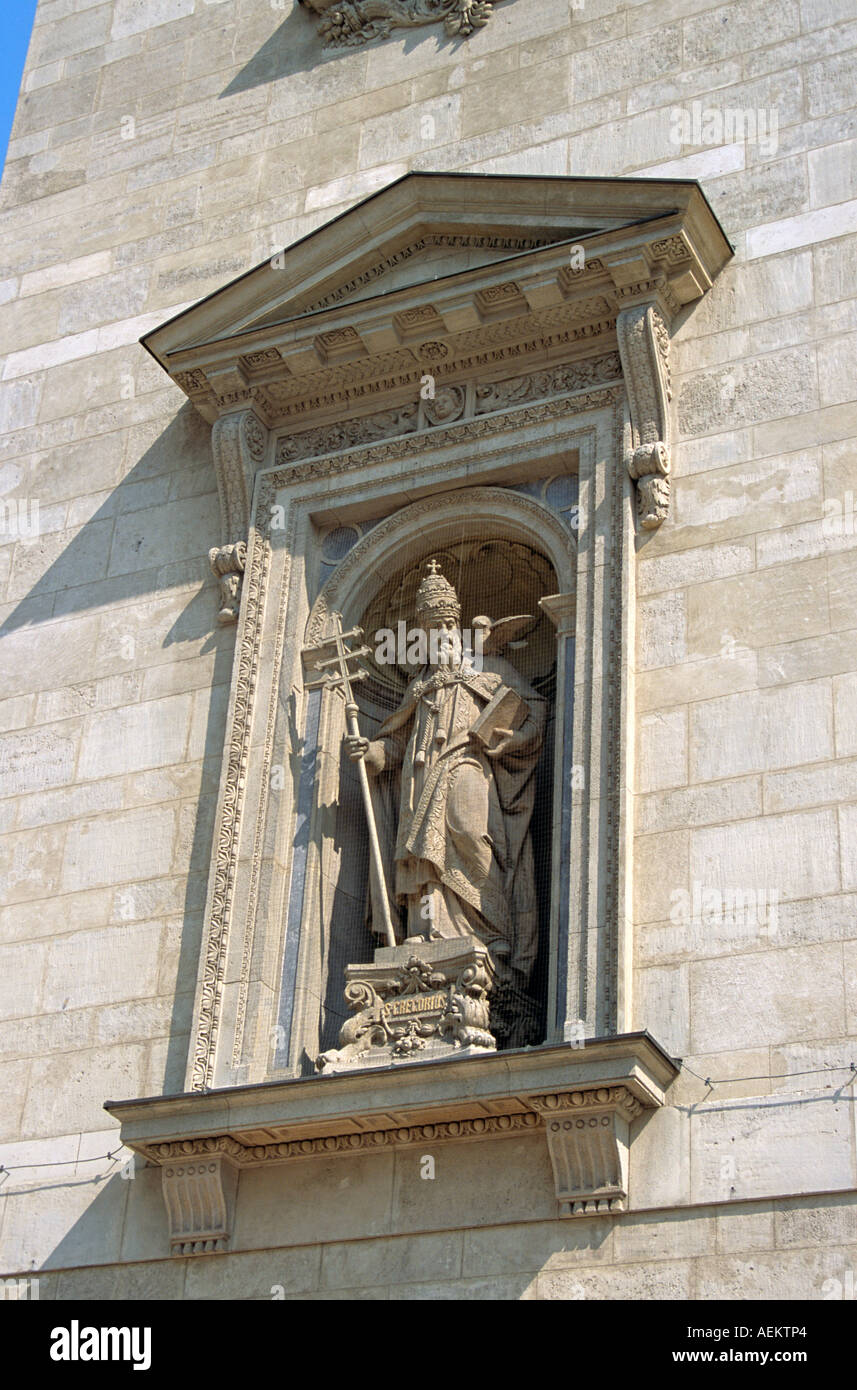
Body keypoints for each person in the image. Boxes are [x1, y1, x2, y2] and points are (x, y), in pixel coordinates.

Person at [345, 559, 547, 1046]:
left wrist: (508, 741)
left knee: (473, 838)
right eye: (426, 629)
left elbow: (534, 708)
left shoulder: (490, 669)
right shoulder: (419, 685)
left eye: (442, 627)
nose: (436, 636)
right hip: (419, 780)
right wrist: (372, 751)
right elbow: (395, 743)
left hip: (467, 769)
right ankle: (428, 934)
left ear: (455, 628)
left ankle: (494, 939)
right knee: (423, 860)